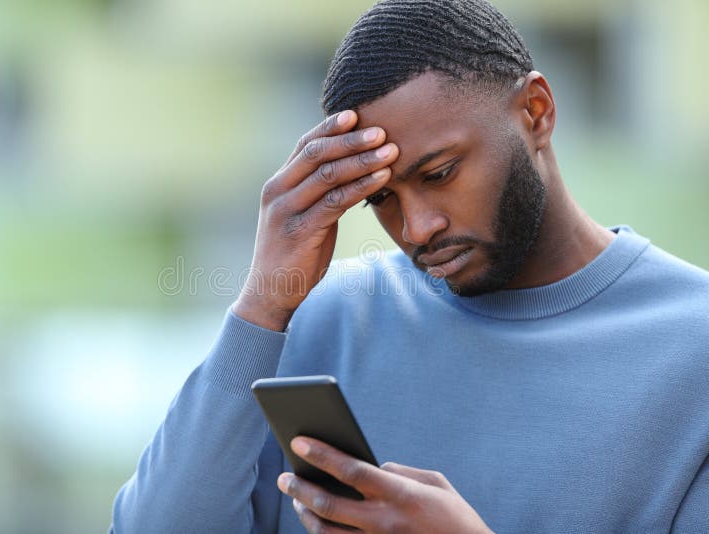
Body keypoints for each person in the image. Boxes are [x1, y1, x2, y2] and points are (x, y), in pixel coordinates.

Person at [111, 0, 709, 532]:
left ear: (536, 111)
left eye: (440, 173)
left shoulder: (693, 345)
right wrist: (263, 303)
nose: (417, 229)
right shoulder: (322, 324)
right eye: (382, 198)